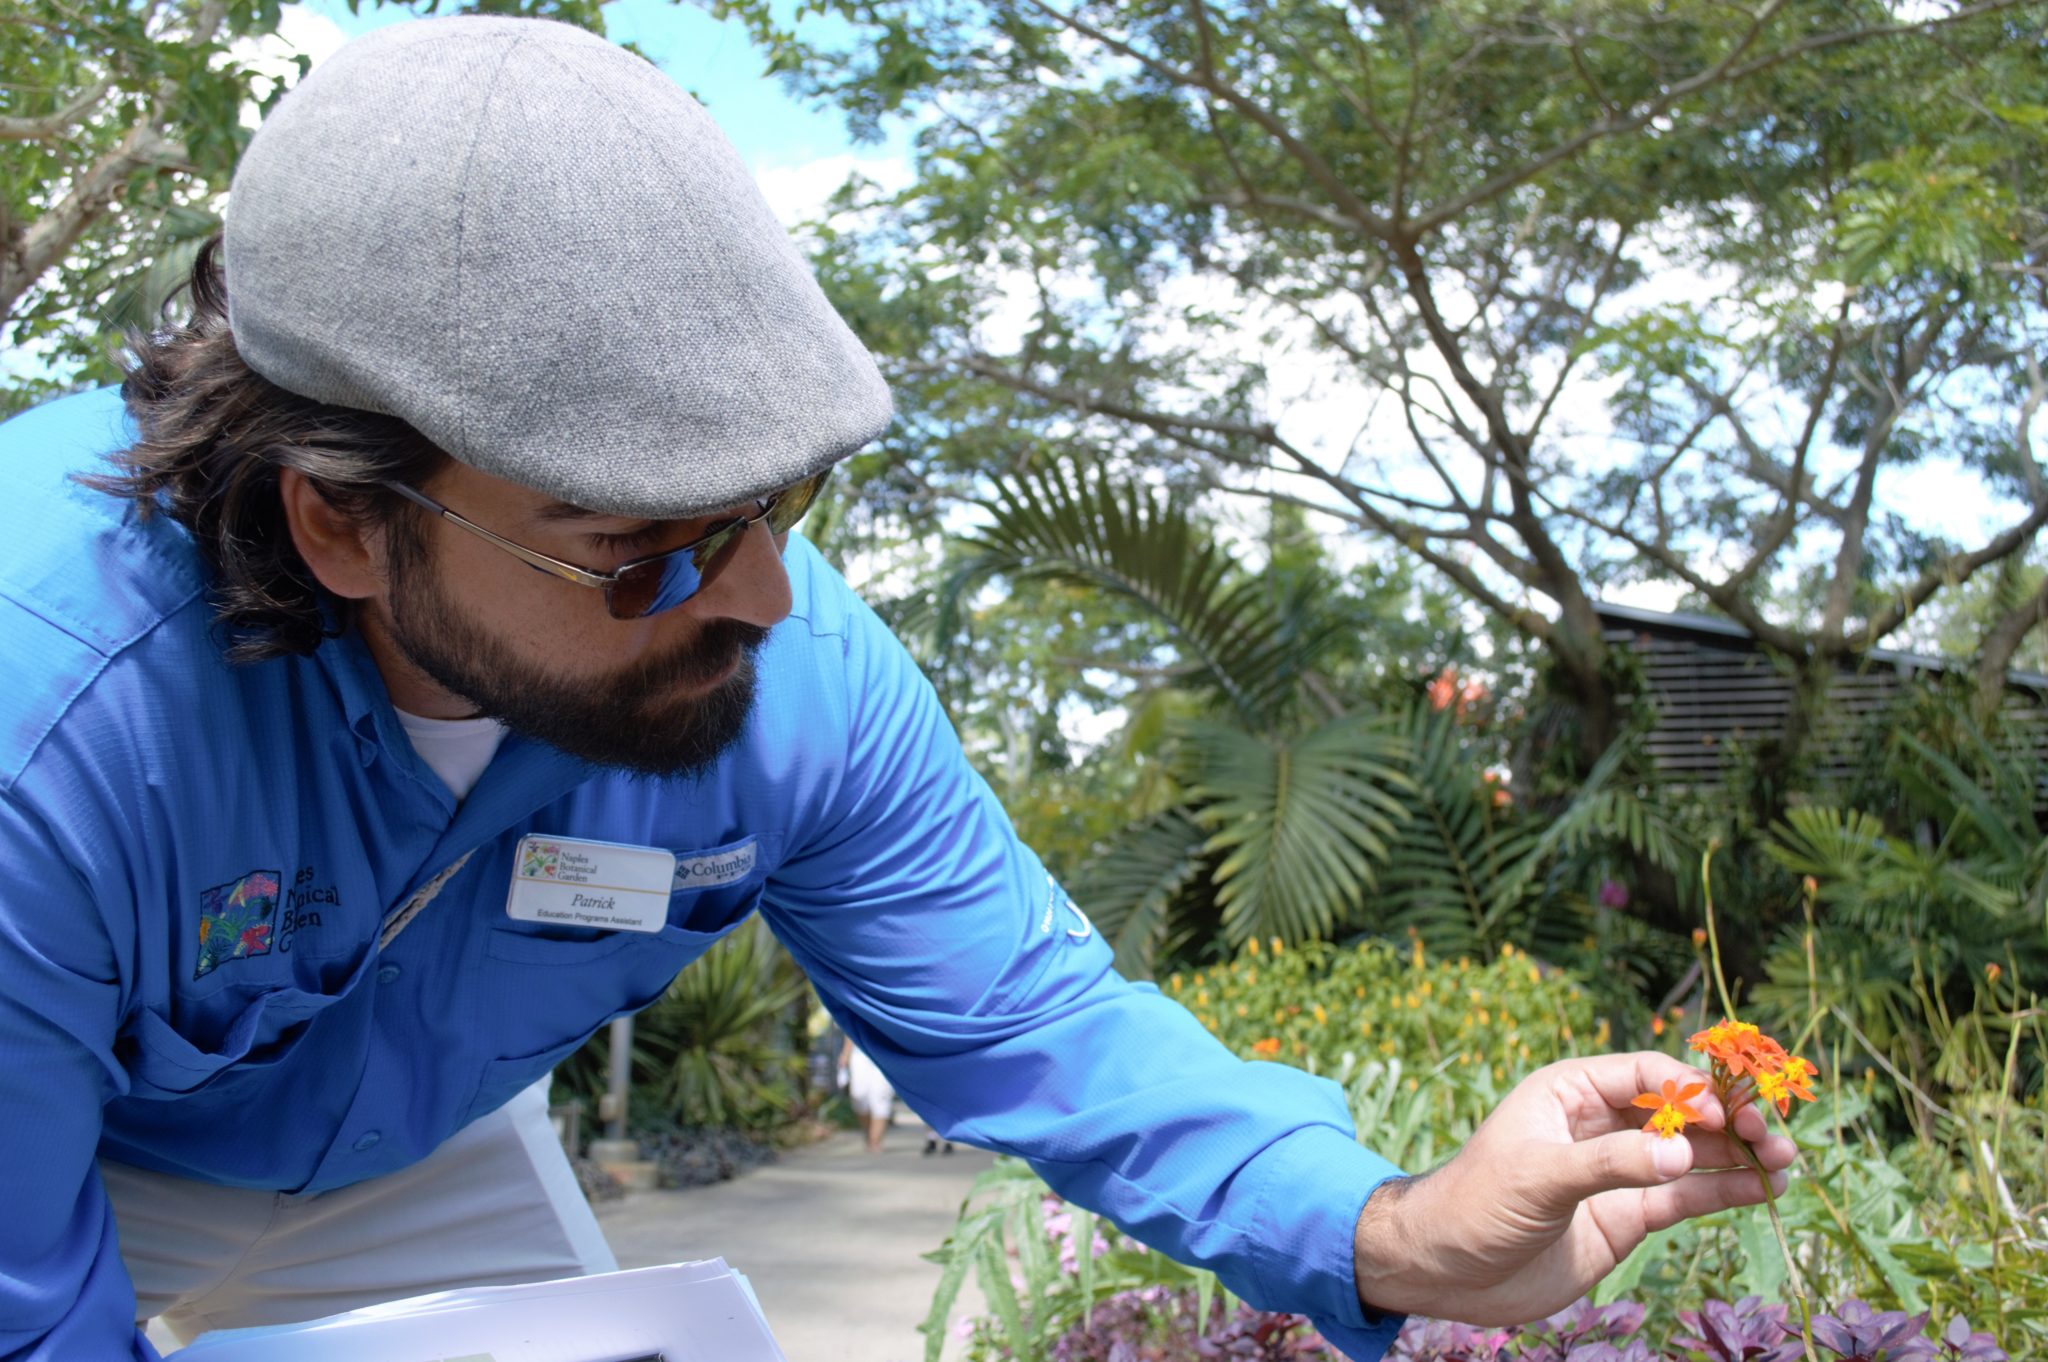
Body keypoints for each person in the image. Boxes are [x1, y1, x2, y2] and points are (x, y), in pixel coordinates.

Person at [0, 16, 1795, 1362]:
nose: (765, 598)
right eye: (641, 547)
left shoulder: (798, 678)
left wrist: (1393, 1228)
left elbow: (1033, 1021)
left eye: (776, 502)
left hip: (414, 1165)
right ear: (338, 521)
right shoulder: (49, 716)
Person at [839, 1037, 897, 1153]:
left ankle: (875, 1141)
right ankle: (869, 1133)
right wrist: (845, 1053)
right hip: (860, 1055)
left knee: (881, 1098)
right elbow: (850, 1028)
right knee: (859, 1097)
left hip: (885, 1055)